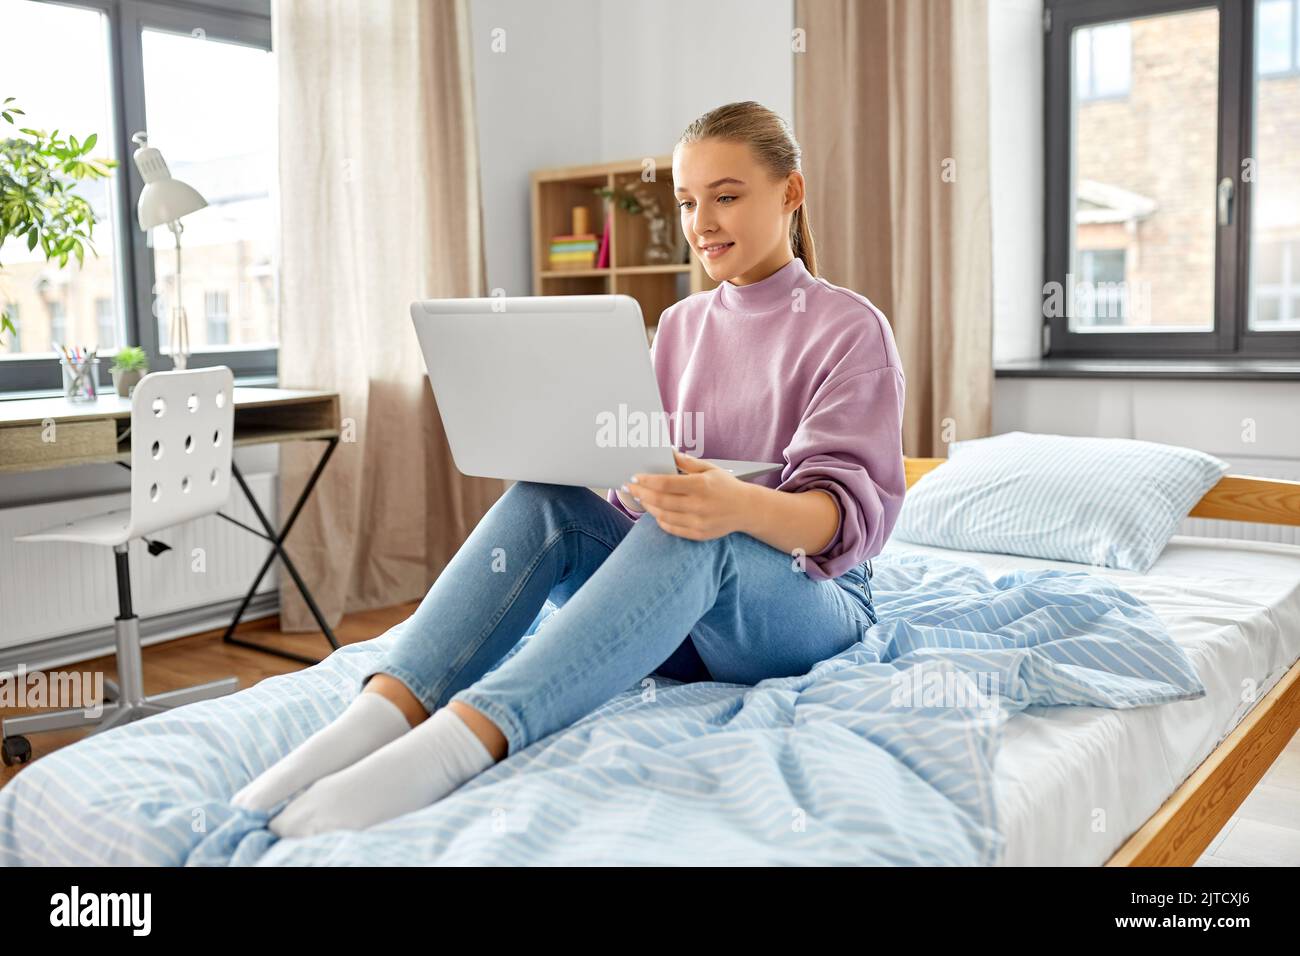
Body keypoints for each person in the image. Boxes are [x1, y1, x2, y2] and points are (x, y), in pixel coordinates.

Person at [231, 100, 907, 838]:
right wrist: (605, 461)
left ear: (791, 192)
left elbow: (843, 524)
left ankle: (464, 741)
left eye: (727, 196)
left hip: (808, 601)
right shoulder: (680, 326)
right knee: (544, 500)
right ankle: (376, 718)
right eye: (687, 201)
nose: (702, 223)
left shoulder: (849, 326)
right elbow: (630, 489)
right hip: (684, 617)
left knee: (694, 527)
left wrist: (731, 507)